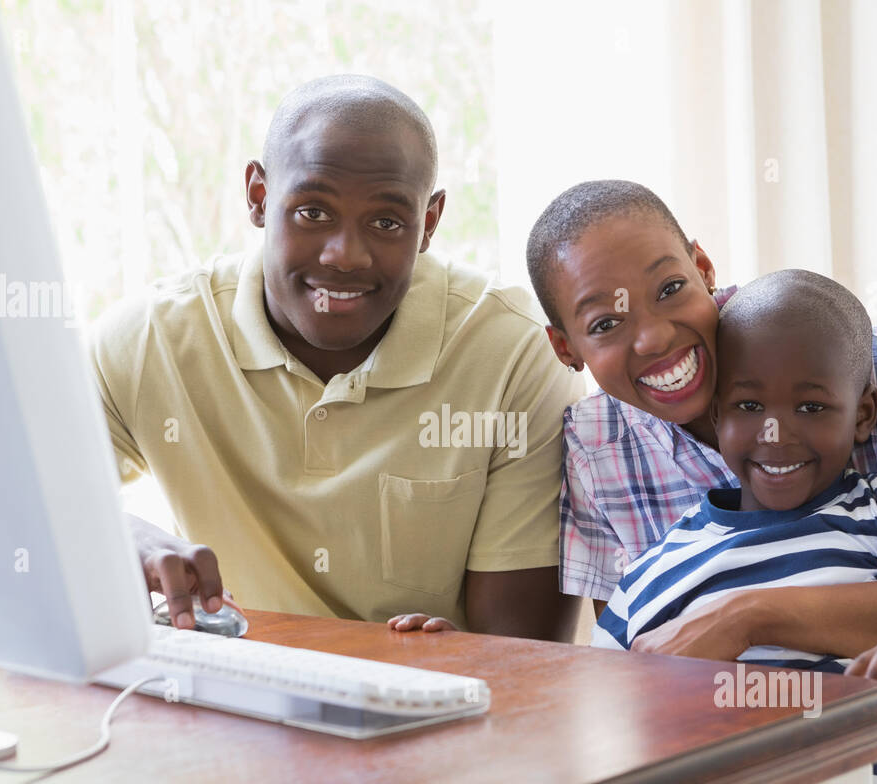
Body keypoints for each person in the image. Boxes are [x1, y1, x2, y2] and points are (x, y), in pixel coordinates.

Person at [523, 180, 877, 784]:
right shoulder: (595, 444)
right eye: (606, 323)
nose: (652, 335)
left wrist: (751, 614)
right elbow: (634, 675)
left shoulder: (852, 364)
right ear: (566, 347)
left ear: (703, 269)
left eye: (670, 288)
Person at [85, 75, 583, 641]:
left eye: (387, 222)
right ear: (258, 196)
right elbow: (2, 504)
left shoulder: (513, 352)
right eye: (313, 212)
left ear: (431, 222)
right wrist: (123, 534)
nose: (345, 255)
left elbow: (519, 663)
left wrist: (443, 667)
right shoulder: (151, 339)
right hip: (232, 704)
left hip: (427, 715)